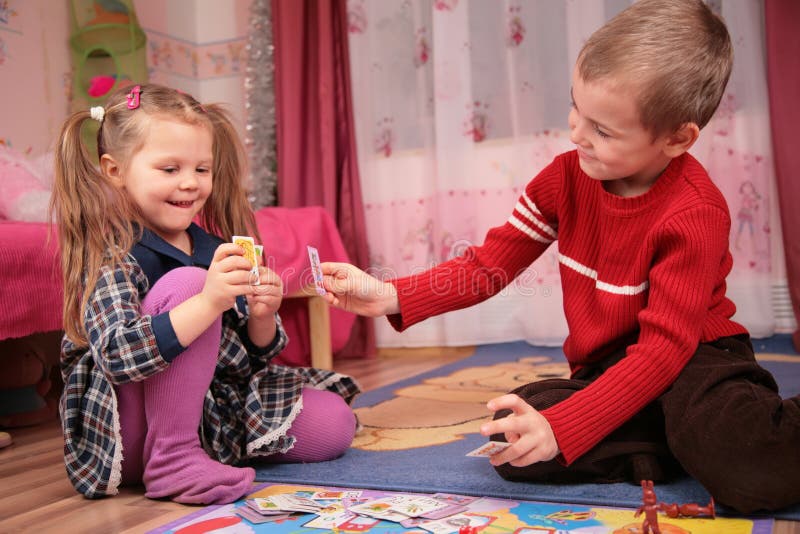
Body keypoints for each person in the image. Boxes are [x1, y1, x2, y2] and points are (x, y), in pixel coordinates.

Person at [320, 0, 799, 514]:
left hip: (693, 360)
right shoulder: (563, 178)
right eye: (576, 109)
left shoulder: (696, 212)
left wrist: (568, 426)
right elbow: (488, 266)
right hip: (608, 364)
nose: (576, 134)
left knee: (751, 475)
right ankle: (670, 437)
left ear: (677, 138)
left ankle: (693, 433)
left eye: (603, 131)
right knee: (515, 442)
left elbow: (663, 351)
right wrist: (389, 293)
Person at [52, 83, 360, 504]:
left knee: (334, 424)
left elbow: (247, 361)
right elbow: (116, 356)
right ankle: (172, 460)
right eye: (169, 169)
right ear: (114, 170)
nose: (190, 184)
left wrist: (261, 317)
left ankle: (196, 453)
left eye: (202, 169)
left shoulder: (213, 249)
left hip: (207, 414)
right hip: (128, 427)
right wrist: (207, 300)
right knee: (190, 284)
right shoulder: (111, 254)